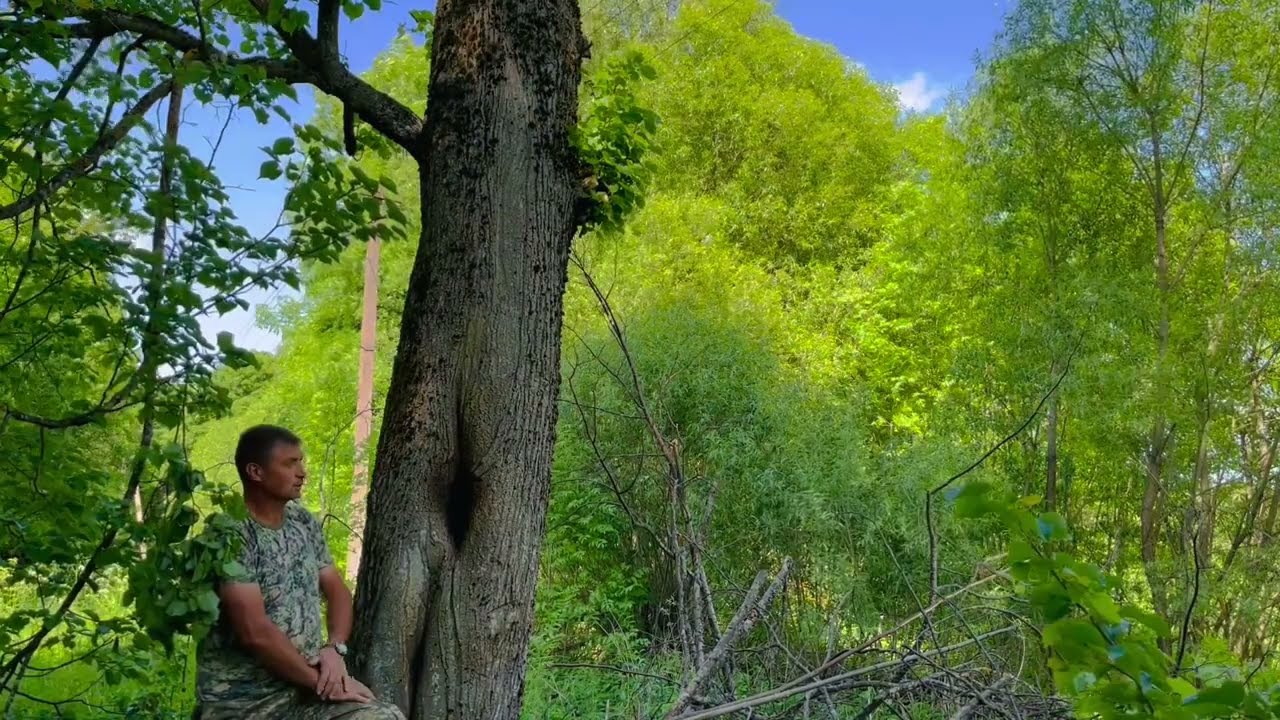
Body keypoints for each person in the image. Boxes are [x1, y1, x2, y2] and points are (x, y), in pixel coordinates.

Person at [195, 425, 404, 720]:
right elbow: (254, 632)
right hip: (242, 704)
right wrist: (328, 685)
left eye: (301, 462)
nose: (302, 472)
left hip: (302, 692)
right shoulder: (231, 534)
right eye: (290, 463)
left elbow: (336, 589)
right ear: (255, 472)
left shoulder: (301, 520)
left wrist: (335, 649)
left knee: (383, 716)